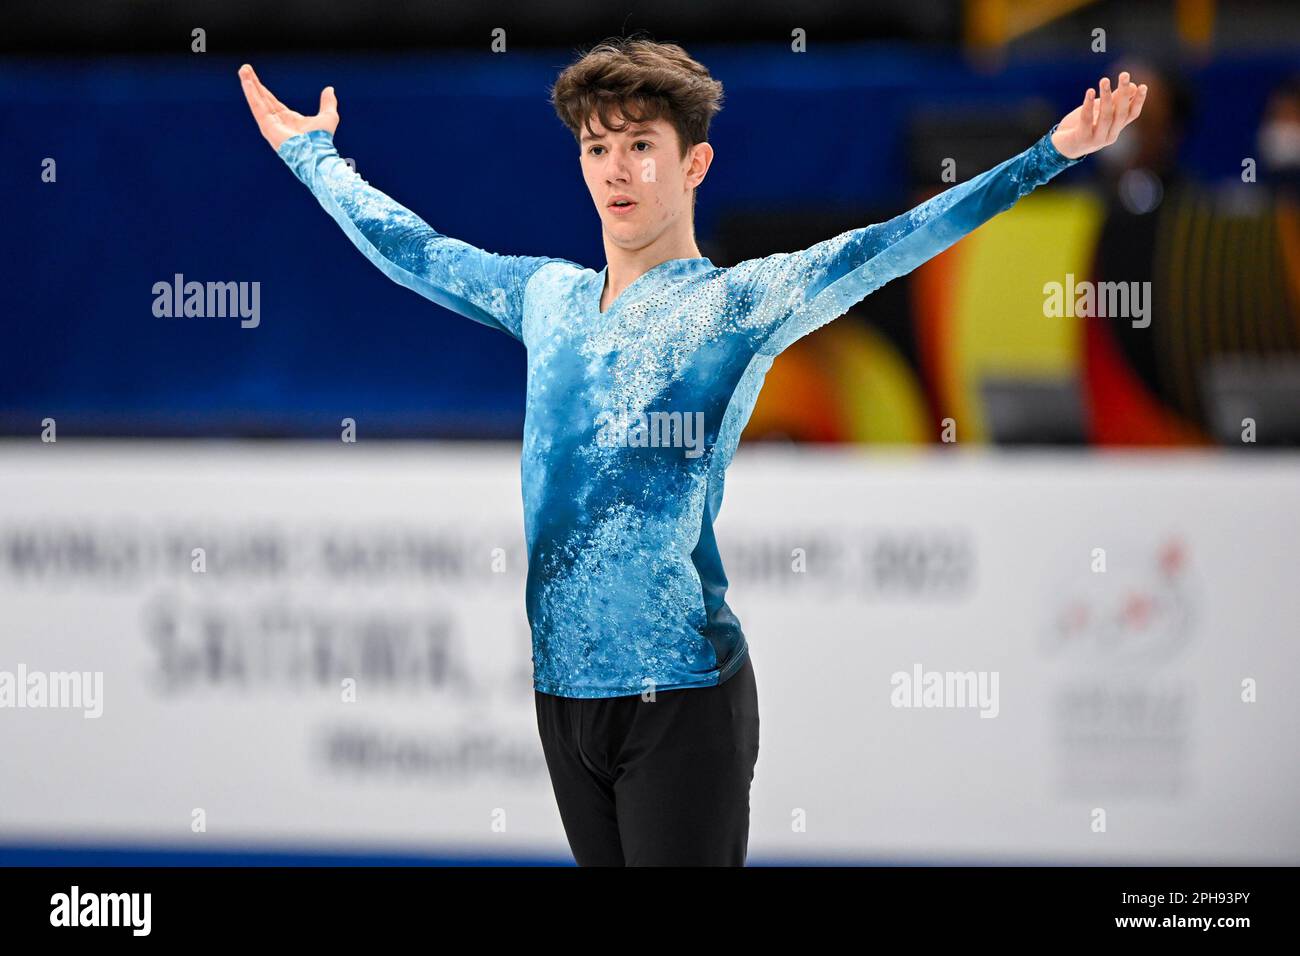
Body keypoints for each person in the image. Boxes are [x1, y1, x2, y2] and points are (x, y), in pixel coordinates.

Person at [238, 37, 1145, 866]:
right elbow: (416, 252)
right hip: (563, 695)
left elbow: (895, 243)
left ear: (694, 162)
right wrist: (314, 156)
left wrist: (1047, 157)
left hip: (680, 700)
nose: (616, 170)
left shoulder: (740, 305)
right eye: (597, 148)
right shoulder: (546, 298)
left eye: (640, 146)